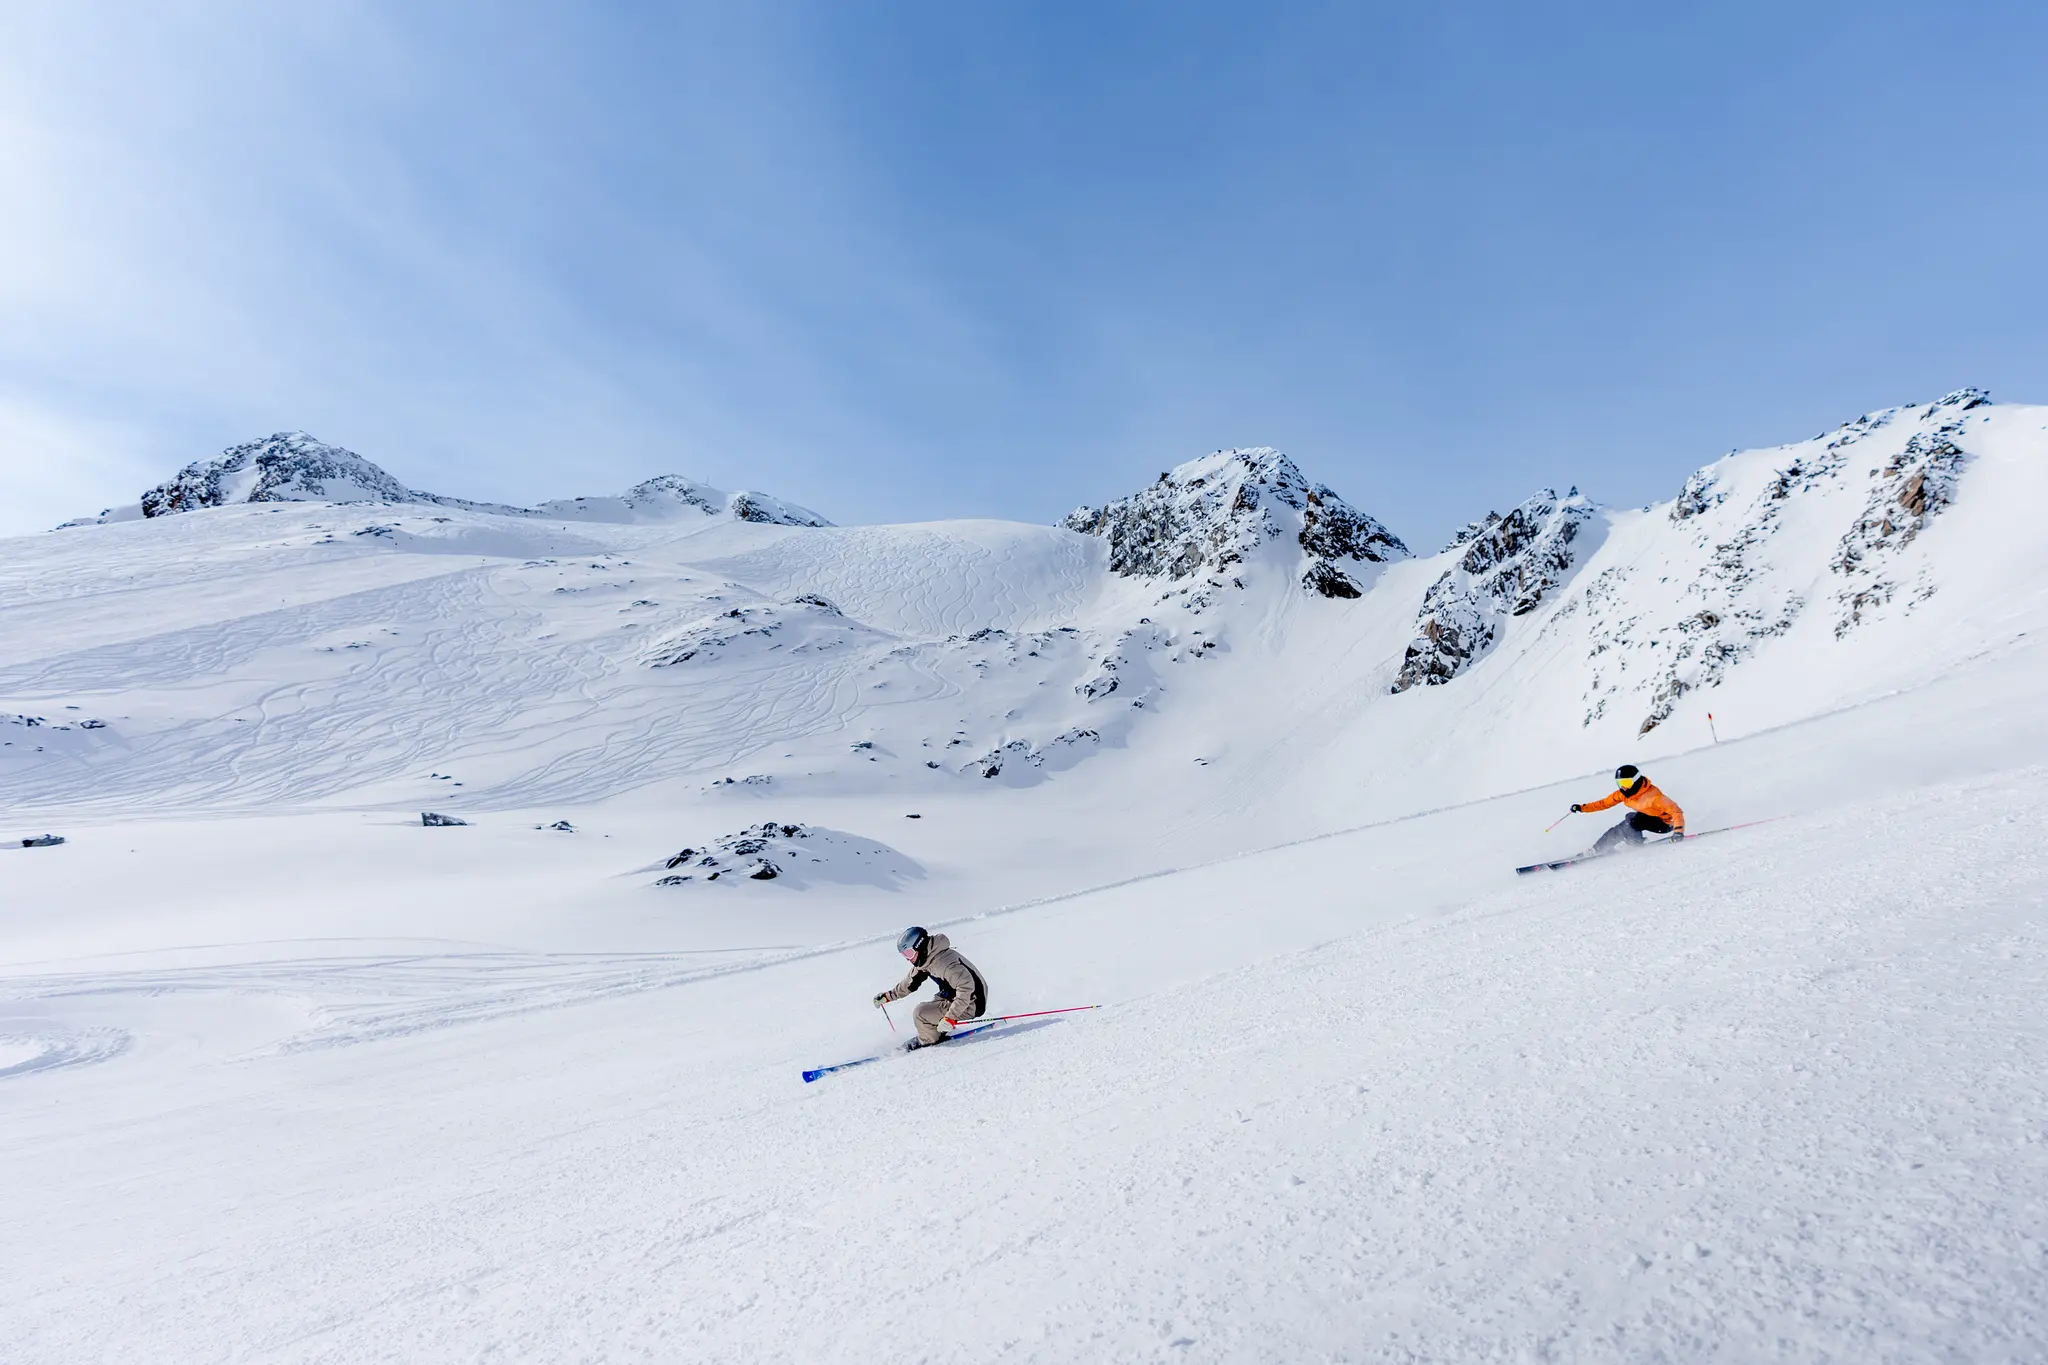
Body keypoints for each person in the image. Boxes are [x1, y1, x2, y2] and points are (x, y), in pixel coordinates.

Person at [874, 926, 987, 1049]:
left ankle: (929, 1040)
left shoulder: (945, 964)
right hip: (956, 996)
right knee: (930, 1008)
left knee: (921, 1013)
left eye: (909, 953)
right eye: (905, 955)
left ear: (920, 946)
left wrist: (950, 1018)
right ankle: (935, 1031)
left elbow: (966, 989)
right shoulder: (926, 959)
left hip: (973, 1002)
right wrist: (887, 996)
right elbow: (909, 983)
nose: (908, 959)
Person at [1572, 764, 1686, 854]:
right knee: (1622, 827)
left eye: (1626, 783)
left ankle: (1635, 843)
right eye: (1620, 783)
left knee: (1632, 819)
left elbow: (1676, 811)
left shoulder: (1654, 796)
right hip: (1646, 819)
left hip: (1665, 824)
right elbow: (1603, 803)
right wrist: (1582, 808)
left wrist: (1678, 832)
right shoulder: (1623, 794)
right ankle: (1598, 849)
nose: (1623, 787)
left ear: (1636, 780)